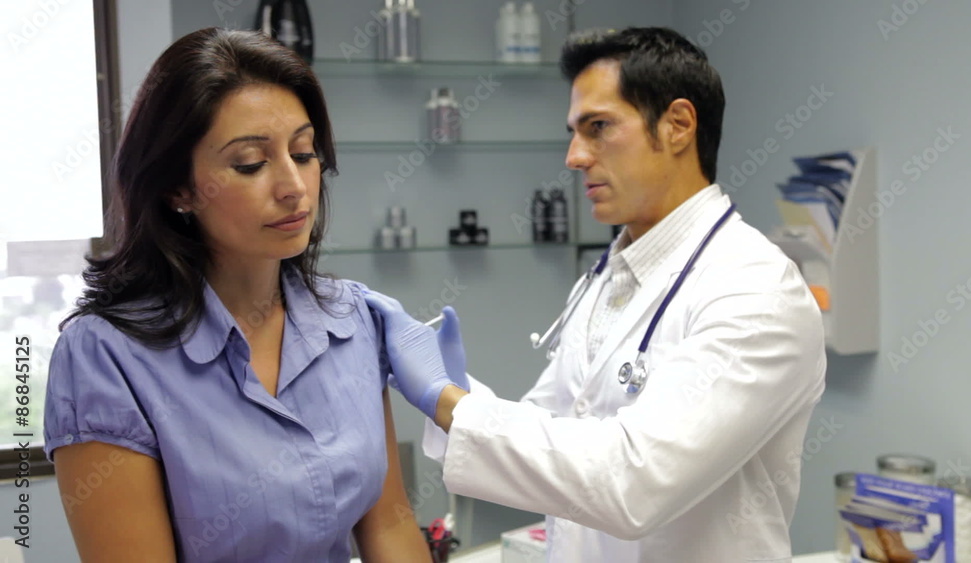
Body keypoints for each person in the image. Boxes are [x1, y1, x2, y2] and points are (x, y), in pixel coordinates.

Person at [365, 27, 827, 562]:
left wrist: (447, 401)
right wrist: (455, 387)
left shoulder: (756, 291)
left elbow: (634, 481)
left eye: (598, 127)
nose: (574, 156)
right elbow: (554, 431)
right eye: (574, 131)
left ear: (678, 125)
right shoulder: (609, 275)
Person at [43, 28, 430, 562]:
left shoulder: (351, 320)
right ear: (179, 189)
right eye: (250, 163)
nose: (294, 184)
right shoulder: (106, 359)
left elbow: (388, 524)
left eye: (304, 151)